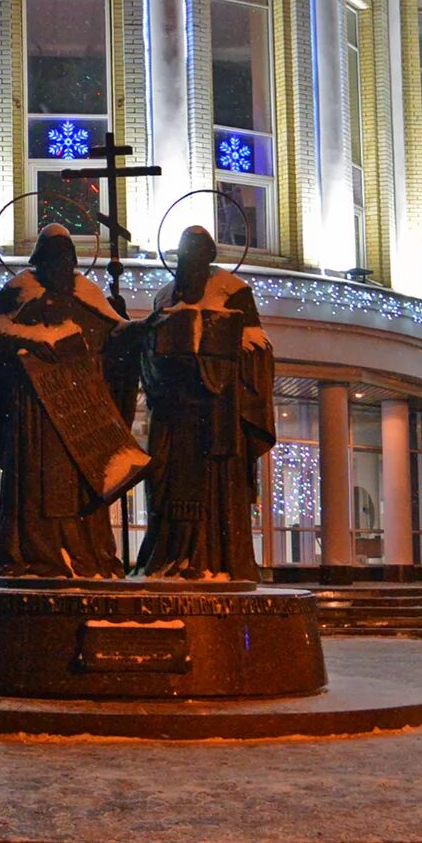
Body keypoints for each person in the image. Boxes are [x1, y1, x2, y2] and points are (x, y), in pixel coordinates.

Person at [0, 225, 147, 579]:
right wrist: (34, 342)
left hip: (79, 410)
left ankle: (83, 554)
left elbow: (113, 341)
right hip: (35, 413)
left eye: (68, 261)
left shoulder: (87, 293)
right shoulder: (20, 290)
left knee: (78, 483)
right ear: (41, 261)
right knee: (35, 483)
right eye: (55, 260)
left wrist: (130, 330)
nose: (63, 268)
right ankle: (32, 553)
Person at [123, 224, 276, 581]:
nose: (186, 266)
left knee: (212, 492)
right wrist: (141, 336)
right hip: (172, 414)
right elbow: (150, 345)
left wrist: (215, 345)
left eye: (194, 258)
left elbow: (258, 346)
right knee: (165, 486)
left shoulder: (233, 292)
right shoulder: (165, 297)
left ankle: (211, 558)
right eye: (182, 258)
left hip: (213, 416)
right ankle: (169, 554)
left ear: (208, 259)